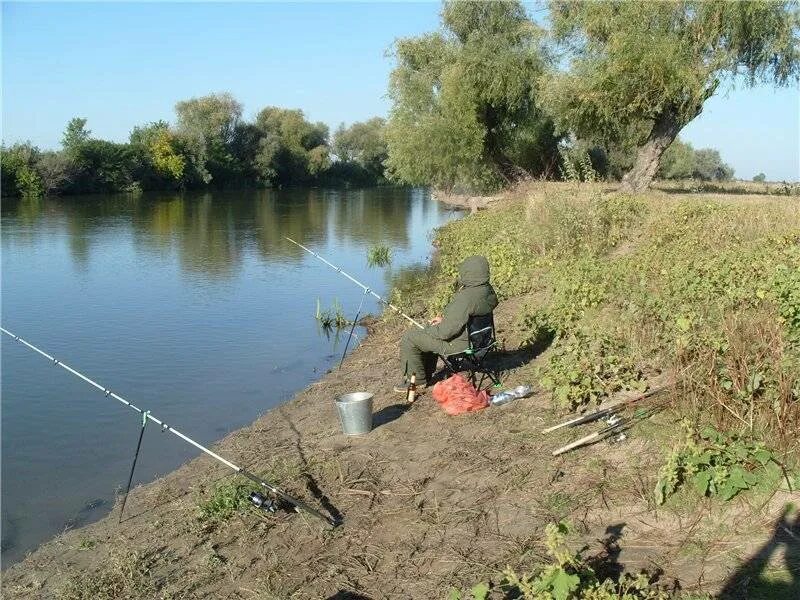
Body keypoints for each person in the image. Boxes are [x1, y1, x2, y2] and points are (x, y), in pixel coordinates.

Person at [394, 255, 498, 392]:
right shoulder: (488, 290)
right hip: (483, 340)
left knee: (410, 337)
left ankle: (417, 381)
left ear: (468, 273)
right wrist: (443, 321)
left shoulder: (465, 297)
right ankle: (426, 373)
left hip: (461, 345)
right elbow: (468, 317)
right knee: (428, 332)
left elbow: (445, 332)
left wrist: (429, 329)